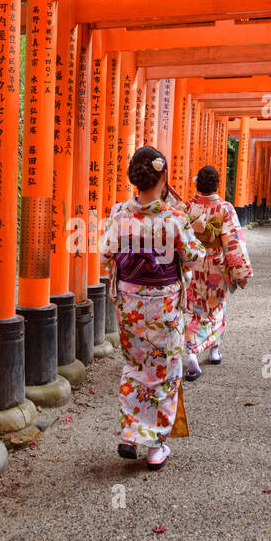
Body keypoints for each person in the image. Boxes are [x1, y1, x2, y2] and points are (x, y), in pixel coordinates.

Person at [100, 146, 205, 471]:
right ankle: (156, 445)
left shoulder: (119, 213)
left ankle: (130, 433)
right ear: (163, 177)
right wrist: (194, 228)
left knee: (135, 364)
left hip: (130, 303)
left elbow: (105, 255)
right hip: (164, 304)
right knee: (165, 372)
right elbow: (194, 256)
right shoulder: (174, 218)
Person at [181, 166, 253, 379]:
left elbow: (180, 239)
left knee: (192, 308)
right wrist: (240, 272)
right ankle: (214, 349)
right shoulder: (224, 209)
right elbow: (233, 243)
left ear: (197, 185)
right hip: (216, 266)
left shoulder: (187, 208)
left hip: (193, 266)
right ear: (217, 185)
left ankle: (192, 352)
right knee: (215, 307)